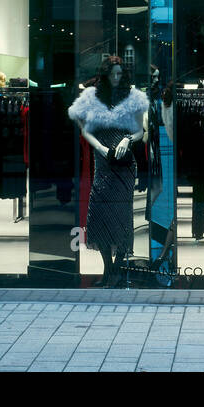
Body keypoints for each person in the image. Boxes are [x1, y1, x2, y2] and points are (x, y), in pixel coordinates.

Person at [68, 54, 149, 286]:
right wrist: (101, 149)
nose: (116, 78)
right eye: (112, 74)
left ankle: (116, 269)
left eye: (120, 74)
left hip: (124, 164)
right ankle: (108, 269)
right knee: (100, 215)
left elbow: (140, 132)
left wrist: (127, 140)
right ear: (105, 75)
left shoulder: (133, 98)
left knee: (123, 216)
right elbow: (85, 131)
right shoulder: (92, 98)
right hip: (103, 162)